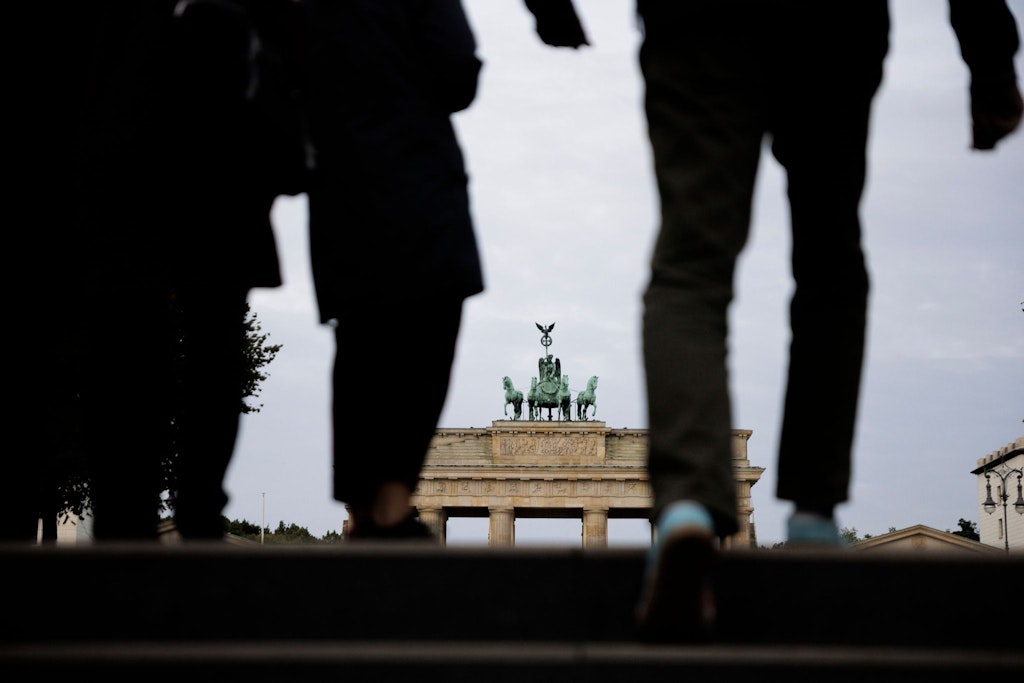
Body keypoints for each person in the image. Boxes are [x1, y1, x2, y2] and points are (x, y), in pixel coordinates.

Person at [628, 0, 1022, 643]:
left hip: (694, 23)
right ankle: (813, 517)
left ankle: (687, 510)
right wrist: (991, 59)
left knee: (690, 266)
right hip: (835, 25)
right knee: (829, 264)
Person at [0, 0, 303, 543]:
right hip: (202, 147)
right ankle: (183, 507)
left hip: (139, 145)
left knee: (136, 335)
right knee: (199, 338)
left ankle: (134, 510)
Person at [302, 0, 484, 540]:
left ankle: (363, 505)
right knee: (430, 323)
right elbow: (457, 71)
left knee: (359, 334)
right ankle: (390, 499)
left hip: (337, 177)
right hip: (419, 175)